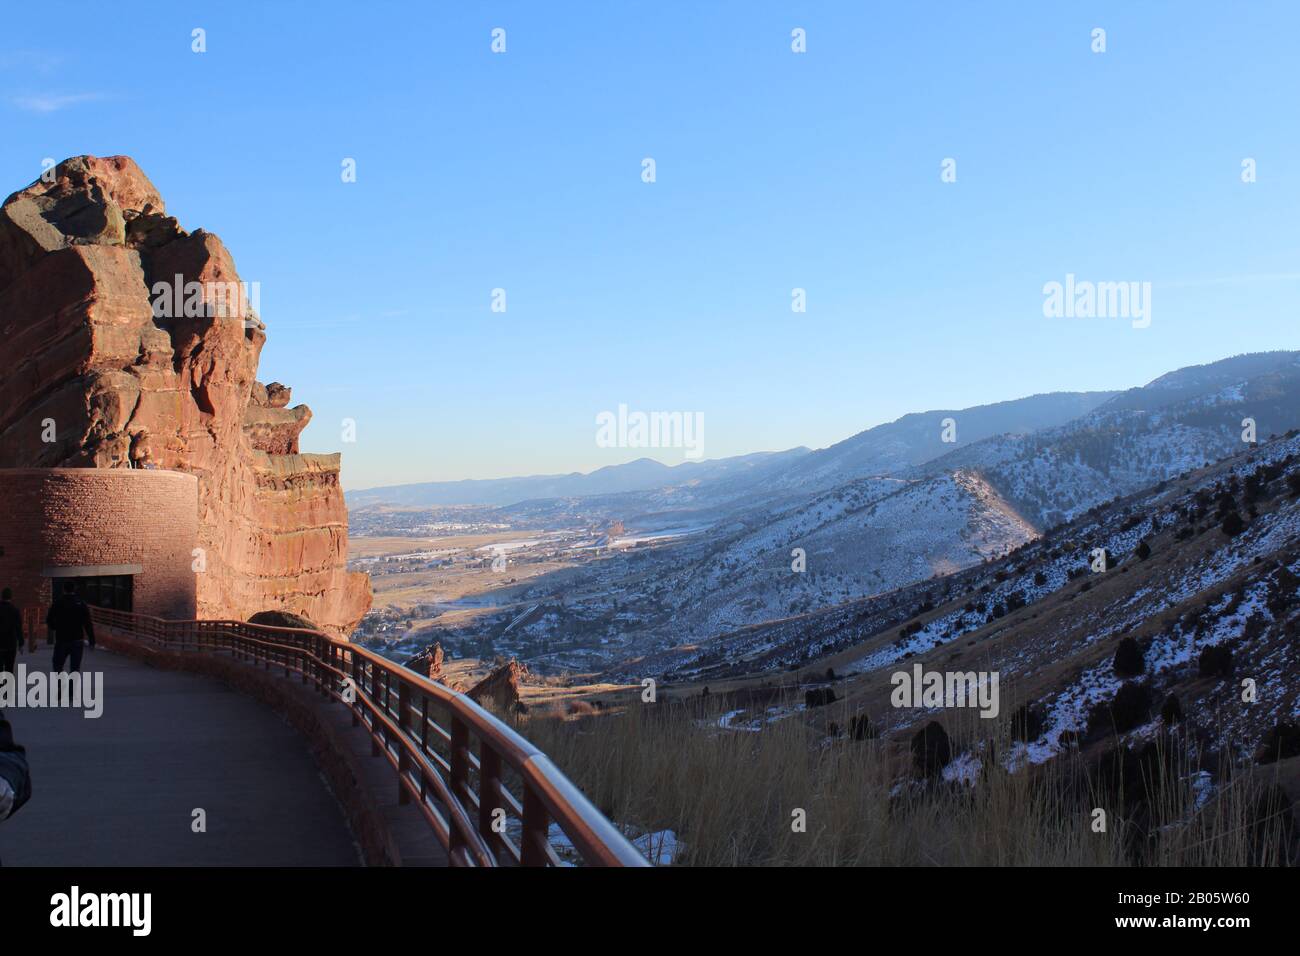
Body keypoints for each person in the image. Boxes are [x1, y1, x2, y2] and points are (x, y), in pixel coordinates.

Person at [46, 581, 95, 674]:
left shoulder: (58, 603)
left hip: (62, 638)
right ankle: (71, 688)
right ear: (74, 589)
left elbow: (49, 619)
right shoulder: (81, 604)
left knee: (57, 664)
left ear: (64, 589)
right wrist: (92, 640)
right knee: (75, 668)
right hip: (77, 639)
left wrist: (56, 628)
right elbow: (88, 623)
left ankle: (61, 684)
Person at [0, 589, 21, 677]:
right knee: (9, 667)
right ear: (11, 597)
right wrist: (21, 642)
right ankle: (8, 688)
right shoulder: (15, 610)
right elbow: (18, 628)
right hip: (11, 643)